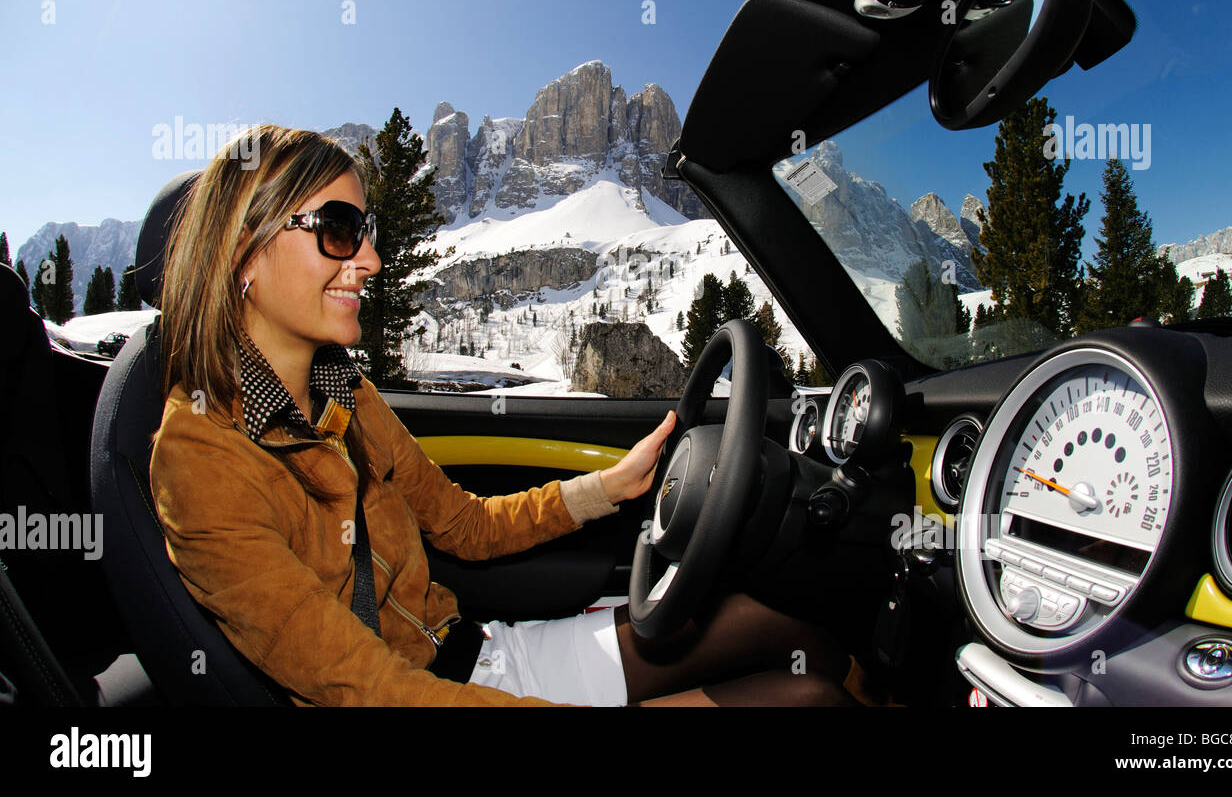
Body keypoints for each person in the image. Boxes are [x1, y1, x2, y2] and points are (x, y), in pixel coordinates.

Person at [149, 124, 856, 706]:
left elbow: (466, 524)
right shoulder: (199, 458)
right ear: (242, 249)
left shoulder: (345, 394)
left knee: (783, 626)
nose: (371, 259)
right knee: (805, 699)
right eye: (338, 229)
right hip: (418, 695)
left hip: (476, 654)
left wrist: (611, 485)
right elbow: (364, 688)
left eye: (366, 230)